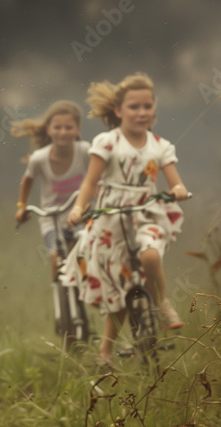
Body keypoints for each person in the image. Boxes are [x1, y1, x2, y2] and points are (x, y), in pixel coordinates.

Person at [62, 73, 188, 367]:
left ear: (154, 109)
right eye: (134, 107)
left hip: (146, 214)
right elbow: (90, 182)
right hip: (111, 222)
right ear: (118, 110)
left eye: (147, 106)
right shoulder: (107, 143)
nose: (141, 113)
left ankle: (162, 302)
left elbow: (175, 182)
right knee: (119, 292)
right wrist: (79, 208)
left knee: (150, 255)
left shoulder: (160, 146)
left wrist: (179, 190)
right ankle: (105, 352)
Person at [12, 100, 91, 280]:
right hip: (51, 218)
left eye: (68, 127)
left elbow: (96, 176)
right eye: (57, 127)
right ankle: (60, 293)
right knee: (56, 257)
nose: (62, 132)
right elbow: (27, 179)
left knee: (83, 253)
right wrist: (21, 206)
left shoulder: (85, 151)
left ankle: (84, 287)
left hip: (81, 214)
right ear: (48, 129)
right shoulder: (39, 159)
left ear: (78, 129)